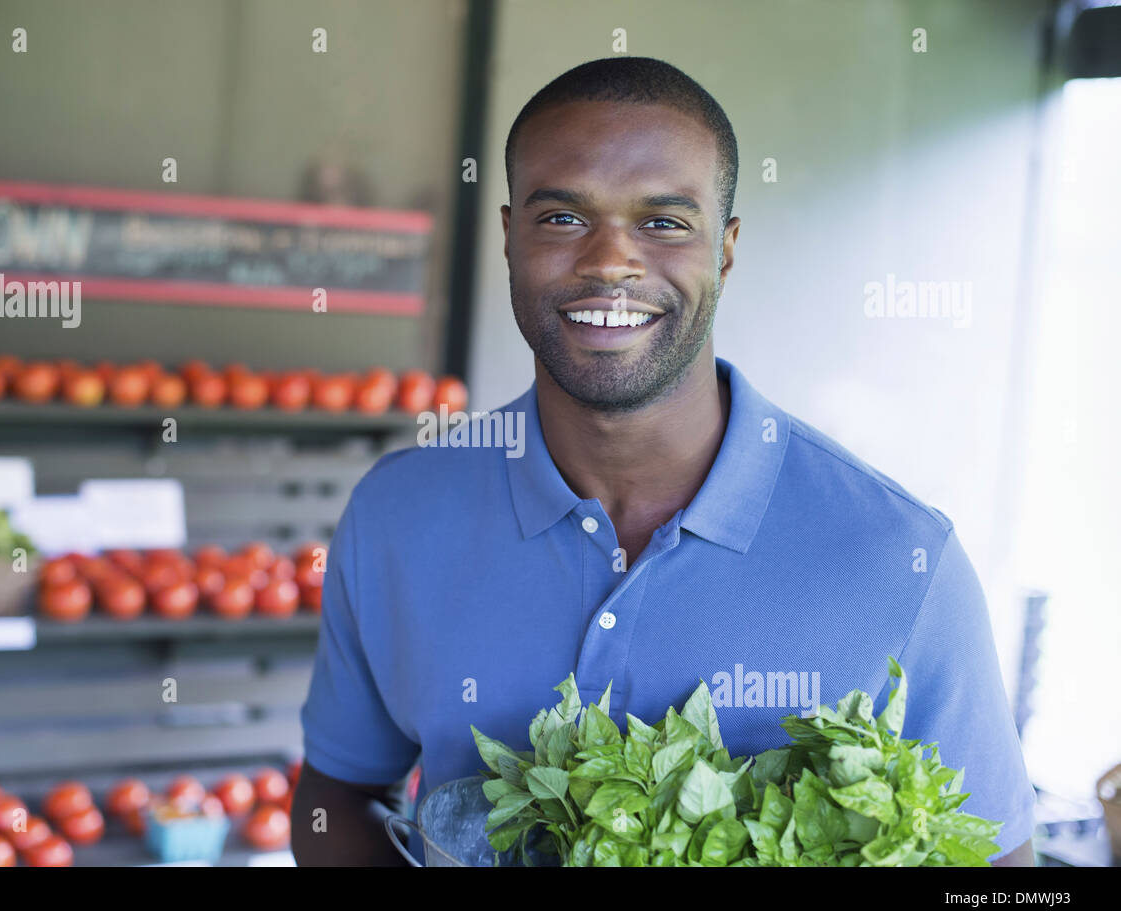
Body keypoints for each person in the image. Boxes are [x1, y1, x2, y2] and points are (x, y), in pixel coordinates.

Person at [292, 56, 1036, 867]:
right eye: (563, 219)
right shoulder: (397, 516)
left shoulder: (902, 561)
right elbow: (341, 794)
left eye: (665, 222)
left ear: (725, 248)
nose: (611, 261)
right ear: (508, 237)